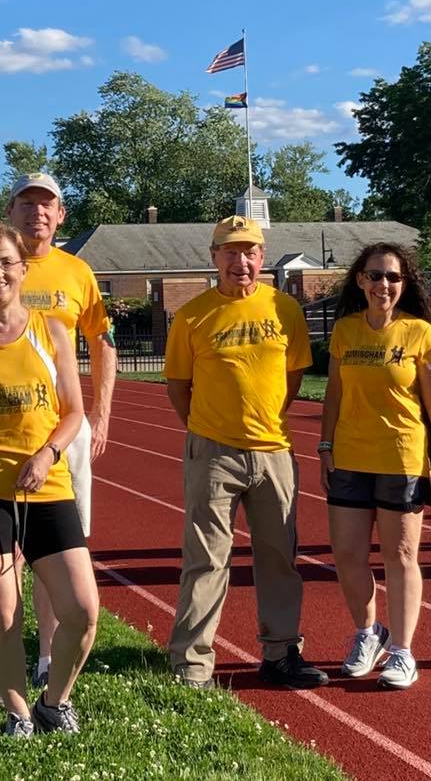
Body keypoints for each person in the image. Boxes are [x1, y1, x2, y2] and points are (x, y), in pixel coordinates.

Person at [0, 171, 115, 701]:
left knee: (77, 599)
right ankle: (15, 701)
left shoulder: (68, 290)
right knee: (2, 604)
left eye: (6, 263)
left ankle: (49, 680)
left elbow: (94, 361)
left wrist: (73, 435)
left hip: (48, 469)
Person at [164, 215, 327, 690]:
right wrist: (208, 428)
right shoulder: (193, 315)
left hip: (274, 451)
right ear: (214, 258)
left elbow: (293, 377)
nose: (242, 262)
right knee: (206, 559)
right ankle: (191, 665)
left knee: (279, 558)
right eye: (231, 252)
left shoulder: (285, 308)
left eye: (250, 251)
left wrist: (263, 420)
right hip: (213, 451)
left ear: (262, 258)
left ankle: (280, 654)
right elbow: (178, 386)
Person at [319, 243, 431, 690]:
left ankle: (403, 651)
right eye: (375, 276)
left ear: (404, 283)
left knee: (400, 556)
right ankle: (368, 632)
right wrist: (325, 445)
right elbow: (334, 394)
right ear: (360, 280)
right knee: (348, 556)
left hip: (402, 457)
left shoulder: (418, 333)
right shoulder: (345, 331)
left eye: (393, 277)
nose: (384, 285)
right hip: (350, 458)